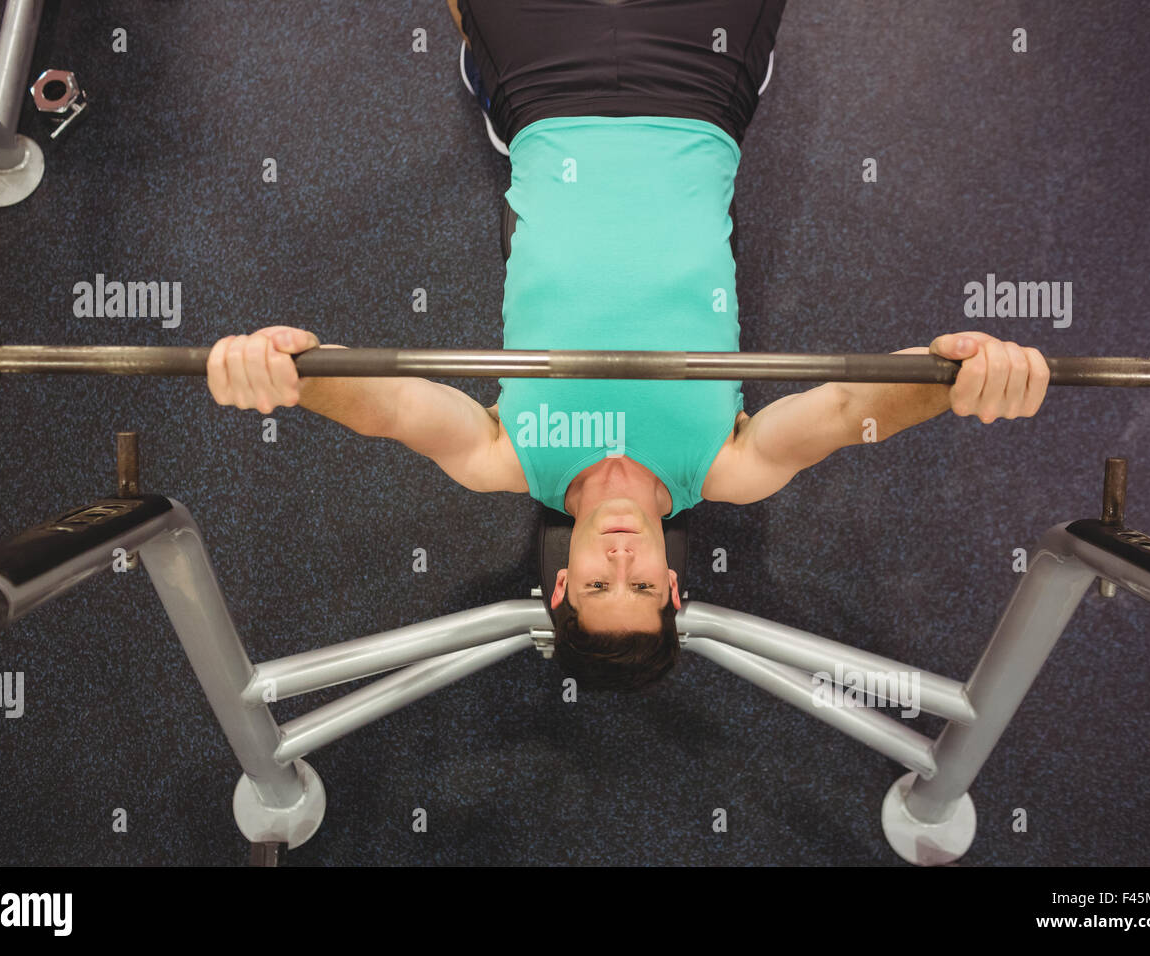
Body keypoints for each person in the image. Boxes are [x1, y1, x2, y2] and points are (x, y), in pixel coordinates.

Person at [207, 1, 1050, 691]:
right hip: (698, 94)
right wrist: (954, 379)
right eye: (643, 586)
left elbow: (388, 404)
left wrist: (294, 373)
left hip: (548, 101)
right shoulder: (728, 467)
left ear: (562, 584)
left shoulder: (505, 456)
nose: (620, 558)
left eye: (601, 584)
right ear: (674, 584)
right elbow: (844, 407)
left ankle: (485, 82)